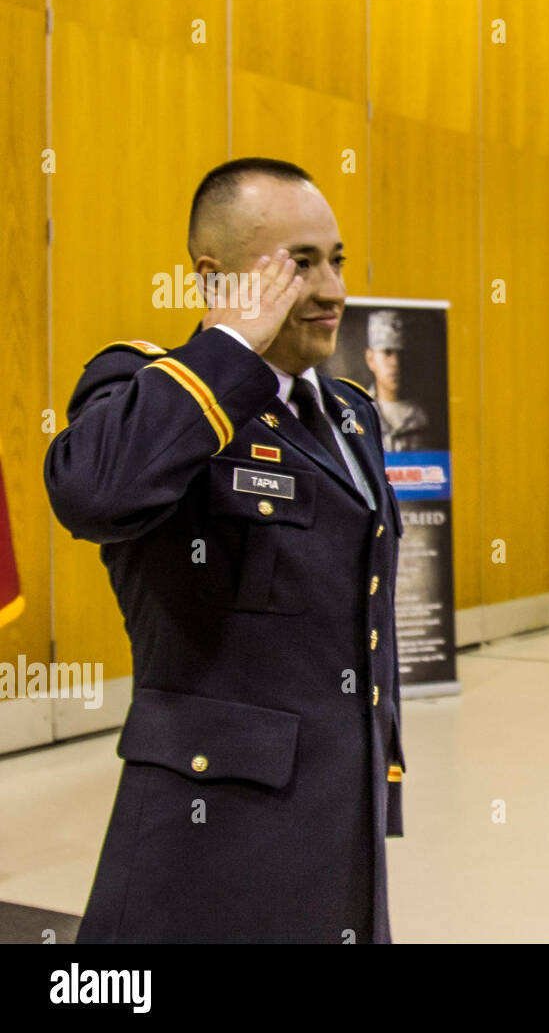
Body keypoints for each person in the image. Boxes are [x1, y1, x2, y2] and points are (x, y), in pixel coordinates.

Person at [45, 157, 406, 942]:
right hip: (209, 840)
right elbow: (94, 491)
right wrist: (230, 347)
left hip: (341, 818)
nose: (334, 289)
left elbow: (362, 615)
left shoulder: (348, 414)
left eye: (337, 259)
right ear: (215, 276)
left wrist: (381, 777)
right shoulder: (149, 386)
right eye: (299, 265)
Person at [364, 310, 432, 452]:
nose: (395, 362)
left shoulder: (427, 417)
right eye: (387, 352)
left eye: (402, 354)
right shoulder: (358, 413)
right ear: (370, 359)